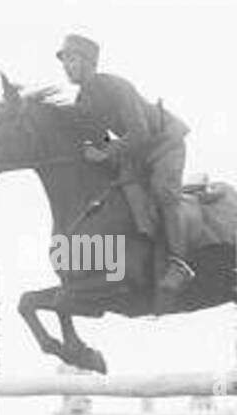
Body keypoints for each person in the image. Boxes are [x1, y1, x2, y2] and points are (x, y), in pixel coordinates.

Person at [55, 34, 196, 301]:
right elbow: (98, 137)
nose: (66, 66)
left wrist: (105, 152)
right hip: (137, 150)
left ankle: (179, 264)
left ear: (88, 62)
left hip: (164, 142)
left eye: (72, 59)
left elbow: (140, 132)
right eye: (65, 60)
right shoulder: (82, 100)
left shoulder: (116, 87)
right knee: (123, 188)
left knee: (162, 190)